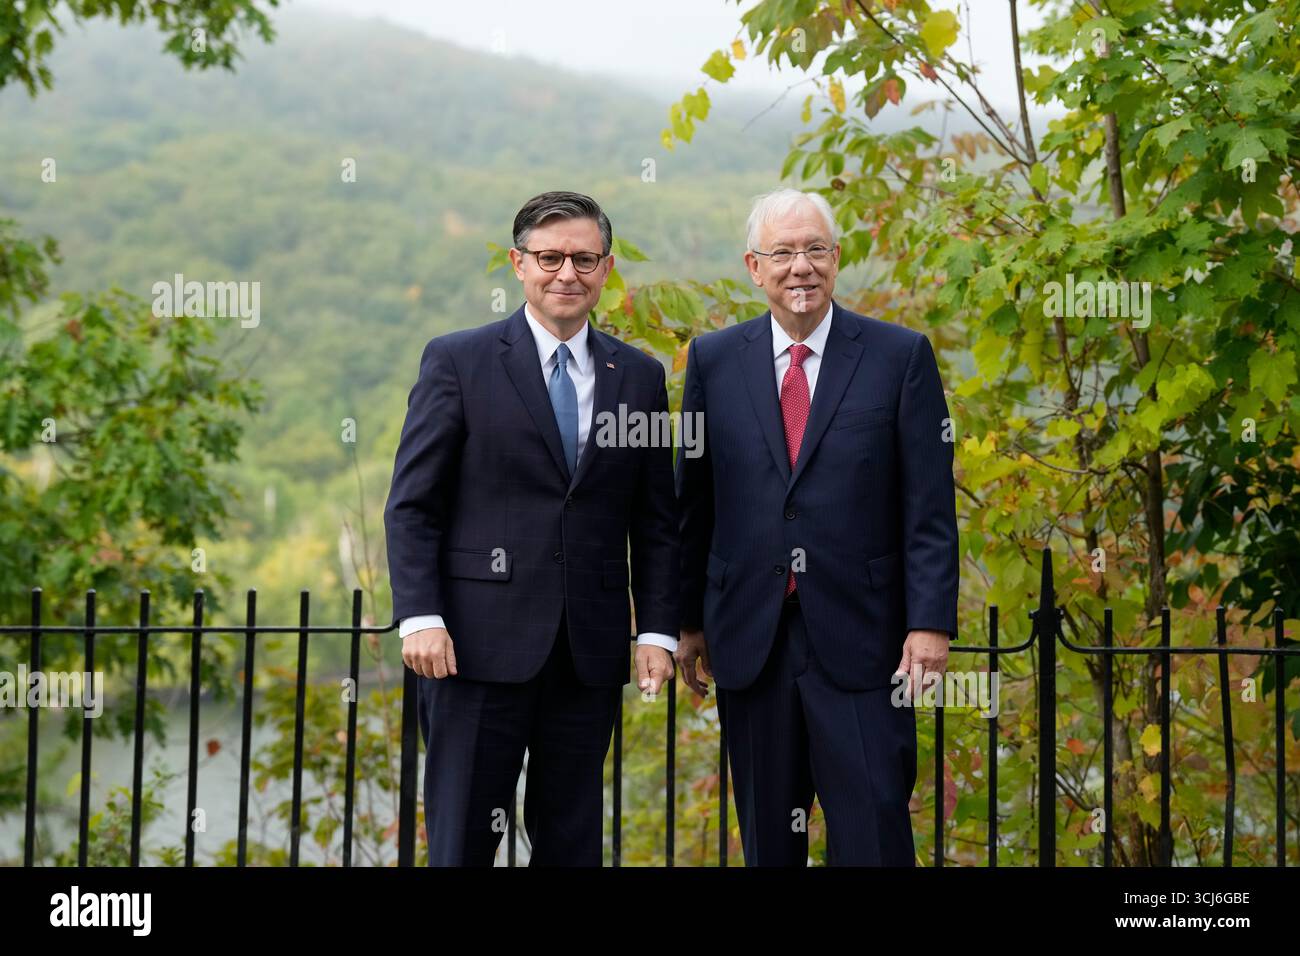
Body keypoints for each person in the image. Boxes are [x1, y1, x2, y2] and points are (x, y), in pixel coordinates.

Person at [384, 191, 678, 865]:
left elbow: (656, 519)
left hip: (588, 655)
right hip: (472, 651)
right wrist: (419, 617)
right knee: (462, 841)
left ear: (606, 269)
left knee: (572, 842)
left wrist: (658, 630)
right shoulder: (458, 360)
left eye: (583, 258)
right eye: (549, 258)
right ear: (519, 264)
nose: (566, 273)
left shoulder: (638, 376)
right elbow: (412, 505)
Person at [675, 188, 958, 865]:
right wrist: (685, 621)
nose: (800, 266)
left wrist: (929, 624)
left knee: (874, 838)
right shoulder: (712, 361)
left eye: (815, 250)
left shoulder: (899, 357)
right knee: (770, 843)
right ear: (753, 266)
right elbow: (694, 503)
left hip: (866, 644)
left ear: (836, 259)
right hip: (752, 641)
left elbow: (928, 504)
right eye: (783, 252)